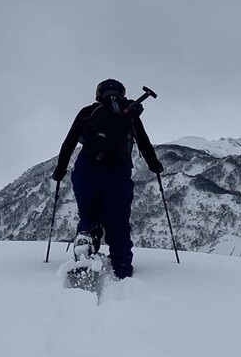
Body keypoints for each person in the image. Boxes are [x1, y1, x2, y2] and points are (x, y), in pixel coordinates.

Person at [52, 78, 163, 280]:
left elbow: (69, 142)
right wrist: (155, 166)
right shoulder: (129, 115)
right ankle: (121, 268)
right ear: (122, 93)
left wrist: (60, 169)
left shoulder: (88, 112)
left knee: (88, 214)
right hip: (118, 174)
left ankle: (85, 249)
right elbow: (145, 144)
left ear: (98, 94)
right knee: (118, 221)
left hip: (86, 171)